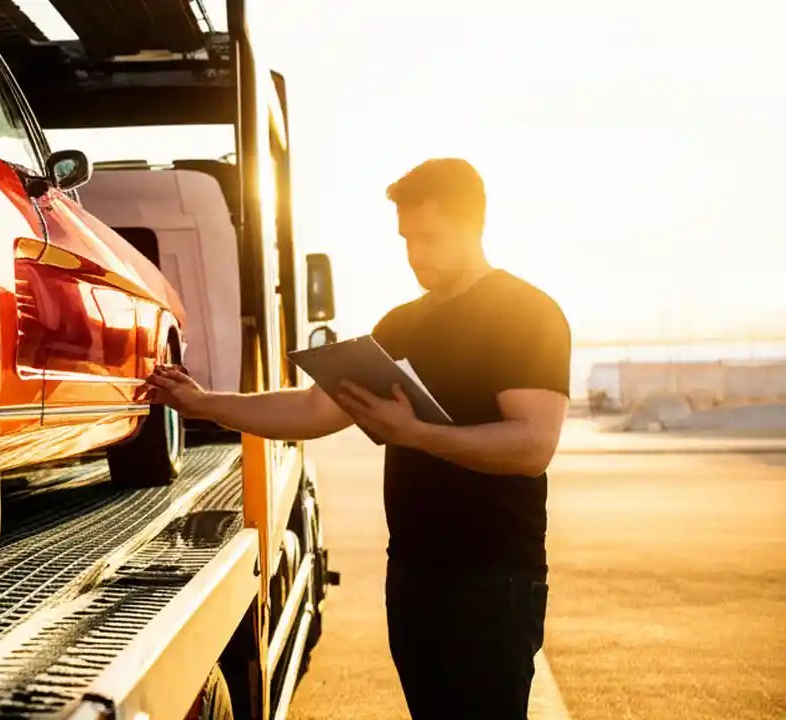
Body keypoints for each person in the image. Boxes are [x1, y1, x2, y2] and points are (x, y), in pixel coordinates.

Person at [138, 158, 571, 719]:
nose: (415, 254)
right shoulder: (400, 324)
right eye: (407, 239)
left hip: (493, 580)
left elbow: (533, 445)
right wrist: (204, 403)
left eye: (430, 238)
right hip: (412, 574)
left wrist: (415, 433)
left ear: (474, 225)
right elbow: (314, 409)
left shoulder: (526, 313)